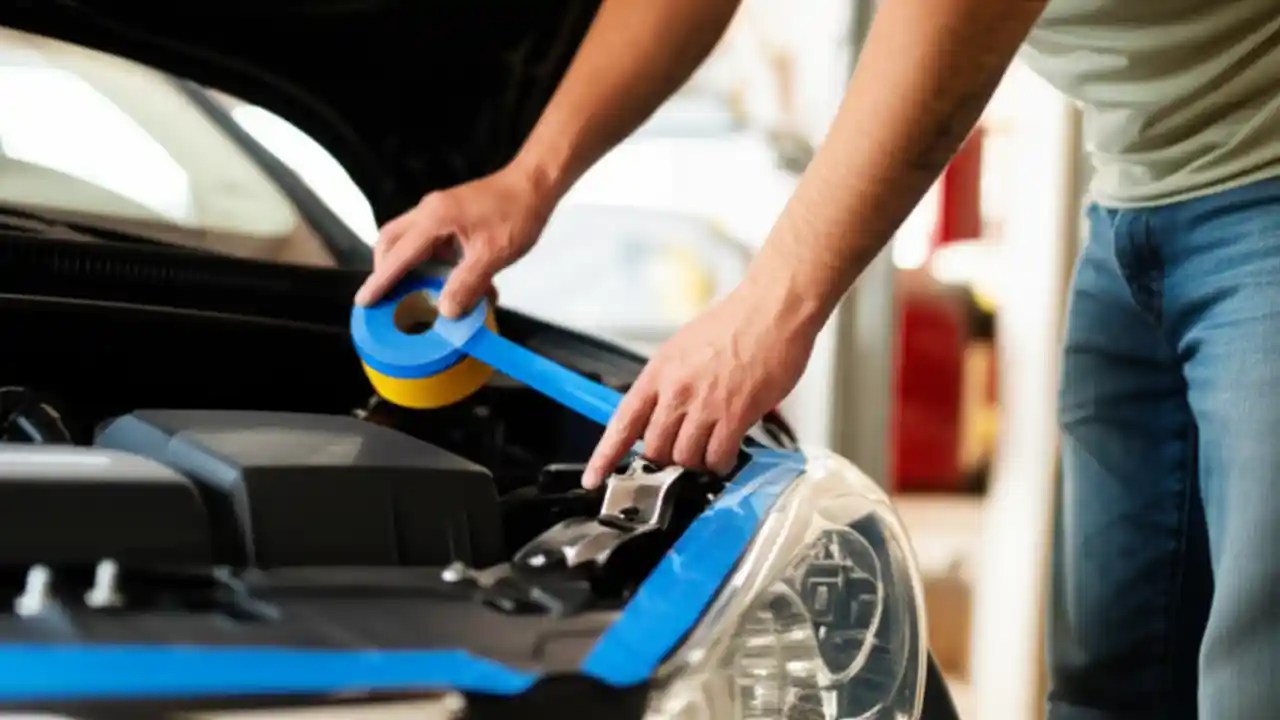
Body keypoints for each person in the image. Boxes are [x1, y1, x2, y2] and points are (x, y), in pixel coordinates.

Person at [356, 0, 1280, 716]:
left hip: (1262, 186)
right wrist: (528, 177)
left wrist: (772, 306)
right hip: (1138, 194)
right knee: (1112, 686)